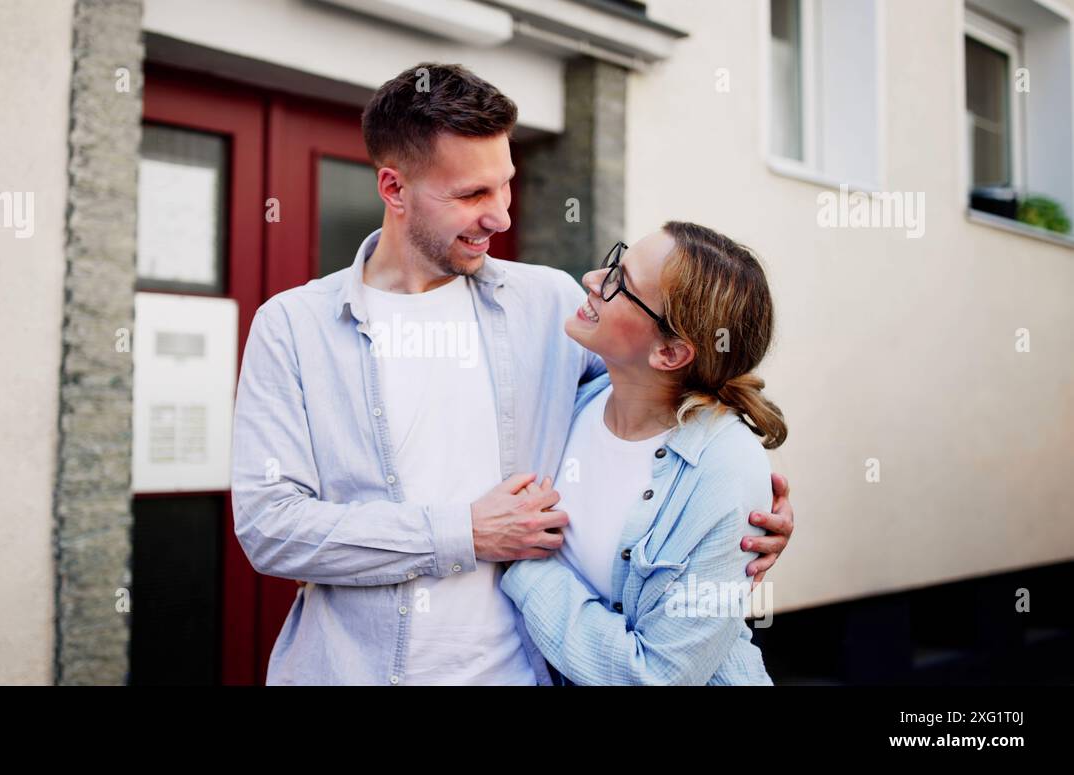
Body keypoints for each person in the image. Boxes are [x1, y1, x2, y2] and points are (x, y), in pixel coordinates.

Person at [230, 63, 795, 685]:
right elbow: (271, 530)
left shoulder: (550, 304)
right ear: (394, 189)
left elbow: (662, 405)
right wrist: (462, 532)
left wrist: (737, 520)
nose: (500, 216)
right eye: (472, 195)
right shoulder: (292, 327)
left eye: (506, 185)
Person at [502, 224, 783, 685]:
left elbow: (653, 677)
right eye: (615, 261)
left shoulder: (726, 468)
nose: (594, 278)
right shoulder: (571, 403)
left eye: (620, 284)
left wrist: (523, 563)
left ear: (670, 352)